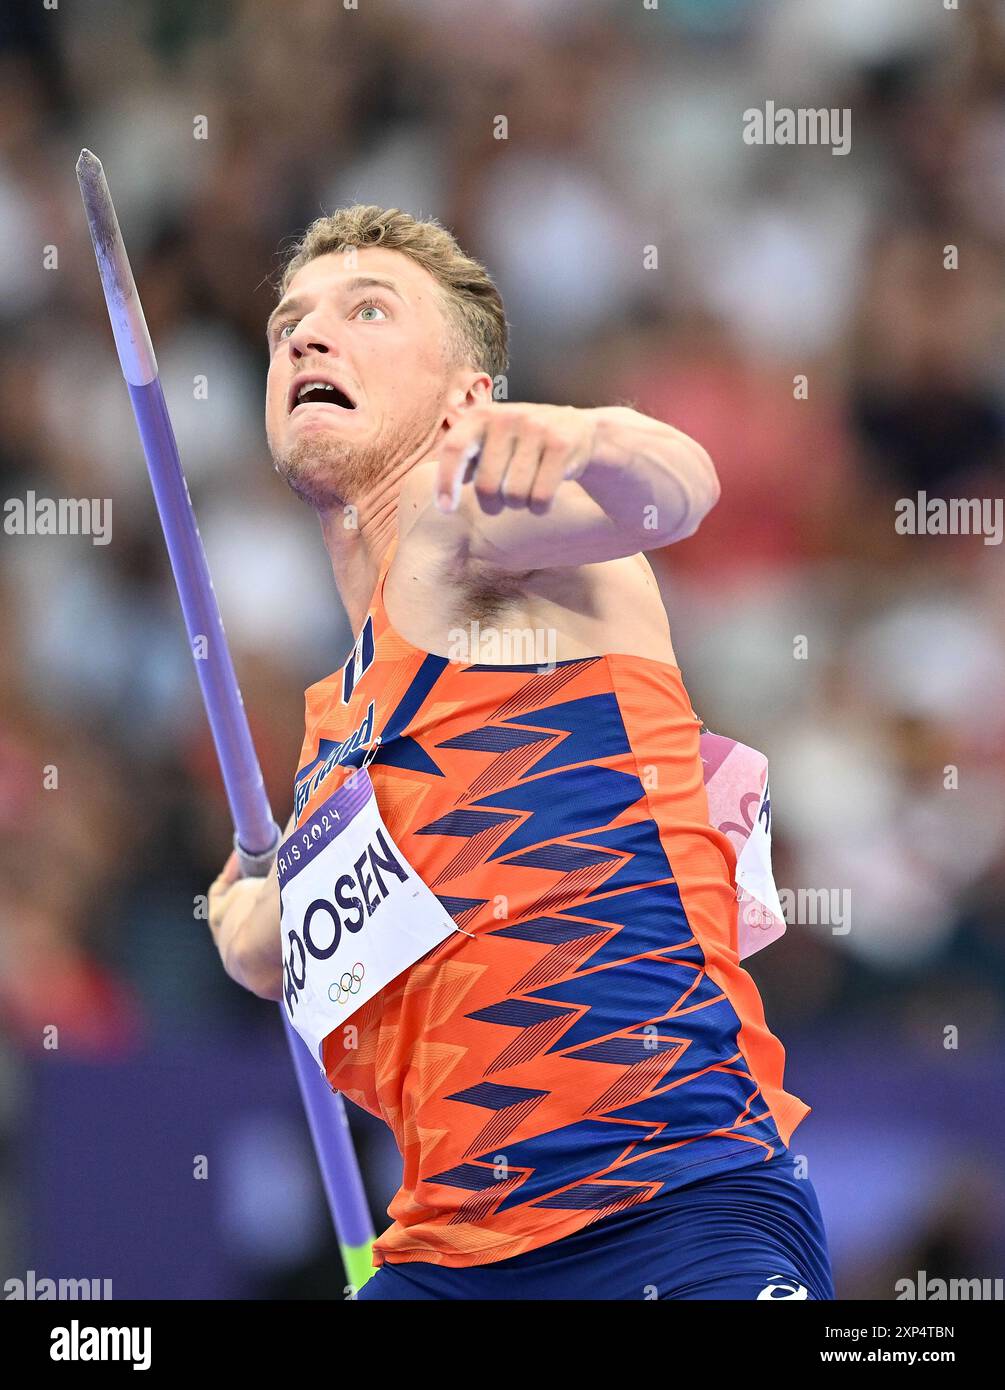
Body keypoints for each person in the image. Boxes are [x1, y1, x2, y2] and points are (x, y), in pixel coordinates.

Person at [207, 206, 834, 1300]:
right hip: (449, 1257)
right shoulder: (333, 732)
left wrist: (595, 436)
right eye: (286, 324)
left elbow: (674, 482)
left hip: (672, 1215)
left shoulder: (480, 530)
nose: (306, 338)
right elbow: (289, 947)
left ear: (469, 398)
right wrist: (240, 919)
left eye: (366, 311)